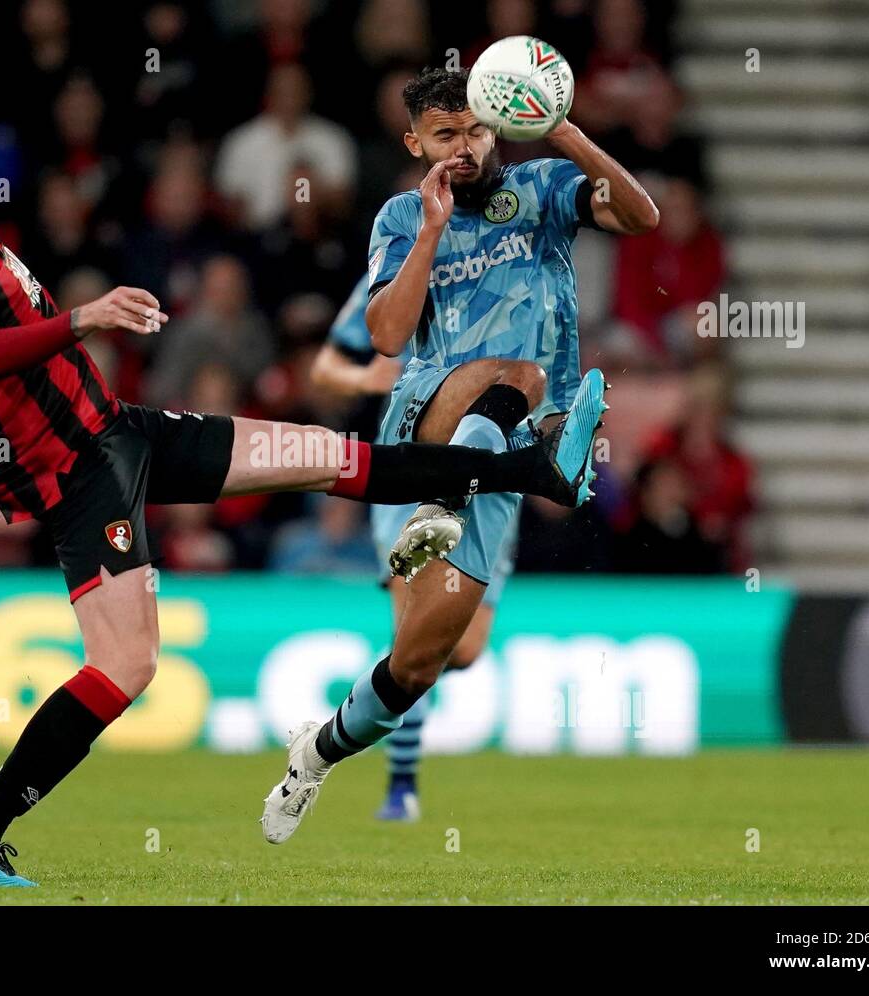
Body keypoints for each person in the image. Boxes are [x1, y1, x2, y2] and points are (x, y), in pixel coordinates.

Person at [0, 77, 600, 887]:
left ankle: (532, 468)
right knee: (127, 665)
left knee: (322, 456)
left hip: (114, 431)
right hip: (73, 469)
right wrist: (85, 317)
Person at [262, 67, 659, 845]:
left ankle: (316, 752)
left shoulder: (544, 186)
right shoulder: (403, 217)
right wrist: (435, 229)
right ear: (416, 143)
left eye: (477, 129)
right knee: (521, 371)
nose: (467, 146)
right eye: (447, 135)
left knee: (420, 665)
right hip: (425, 415)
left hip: (504, 452)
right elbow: (381, 336)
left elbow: (642, 216)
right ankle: (442, 500)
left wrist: (566, 130)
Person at [311, 275, 519, 821]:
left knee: (464, 650)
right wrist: (365, 377)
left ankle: (380, 697)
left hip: (491, 474)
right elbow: (325, 370)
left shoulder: (512, 268)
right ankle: (402, 785)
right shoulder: (399, 273)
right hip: (408, 474)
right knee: (414, 630)